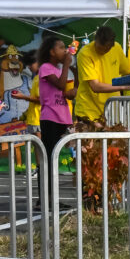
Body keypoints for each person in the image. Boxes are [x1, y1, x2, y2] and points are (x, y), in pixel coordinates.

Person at [74, 26, 130, 127]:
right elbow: (95, 86)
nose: (103, 51)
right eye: (100, 48)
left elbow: (128, 71)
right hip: (89, 110)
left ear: (112, 45)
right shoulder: (84, 54)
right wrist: (124, 87)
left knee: (113, 142)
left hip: (112, 110)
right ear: (95, 40)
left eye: (108, 48)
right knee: (91, 142)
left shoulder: (117, 48)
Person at [37, 37, 77, 170]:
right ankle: (46, 190)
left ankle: (52, 189)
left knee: (59, 154)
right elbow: (60, 85)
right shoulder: (45, 68)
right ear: (52, 52)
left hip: (63, 118)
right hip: (50, 118)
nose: (65, 50)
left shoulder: (60, 71)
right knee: (48, 156)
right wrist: (66, 65)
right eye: (61, 47)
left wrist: (75, 72)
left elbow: (66, 91)